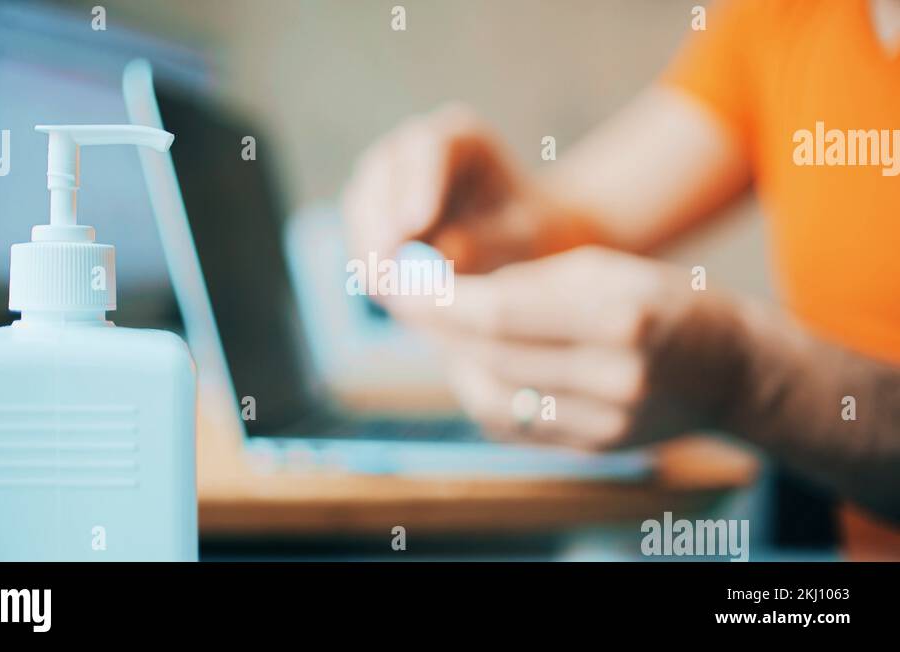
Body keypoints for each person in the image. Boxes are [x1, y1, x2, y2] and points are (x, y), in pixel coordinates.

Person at [341, 0, 900, 555]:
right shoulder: (792, 15)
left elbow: (749, 375)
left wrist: (757, 382)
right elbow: (588, 215)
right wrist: (500, 224)